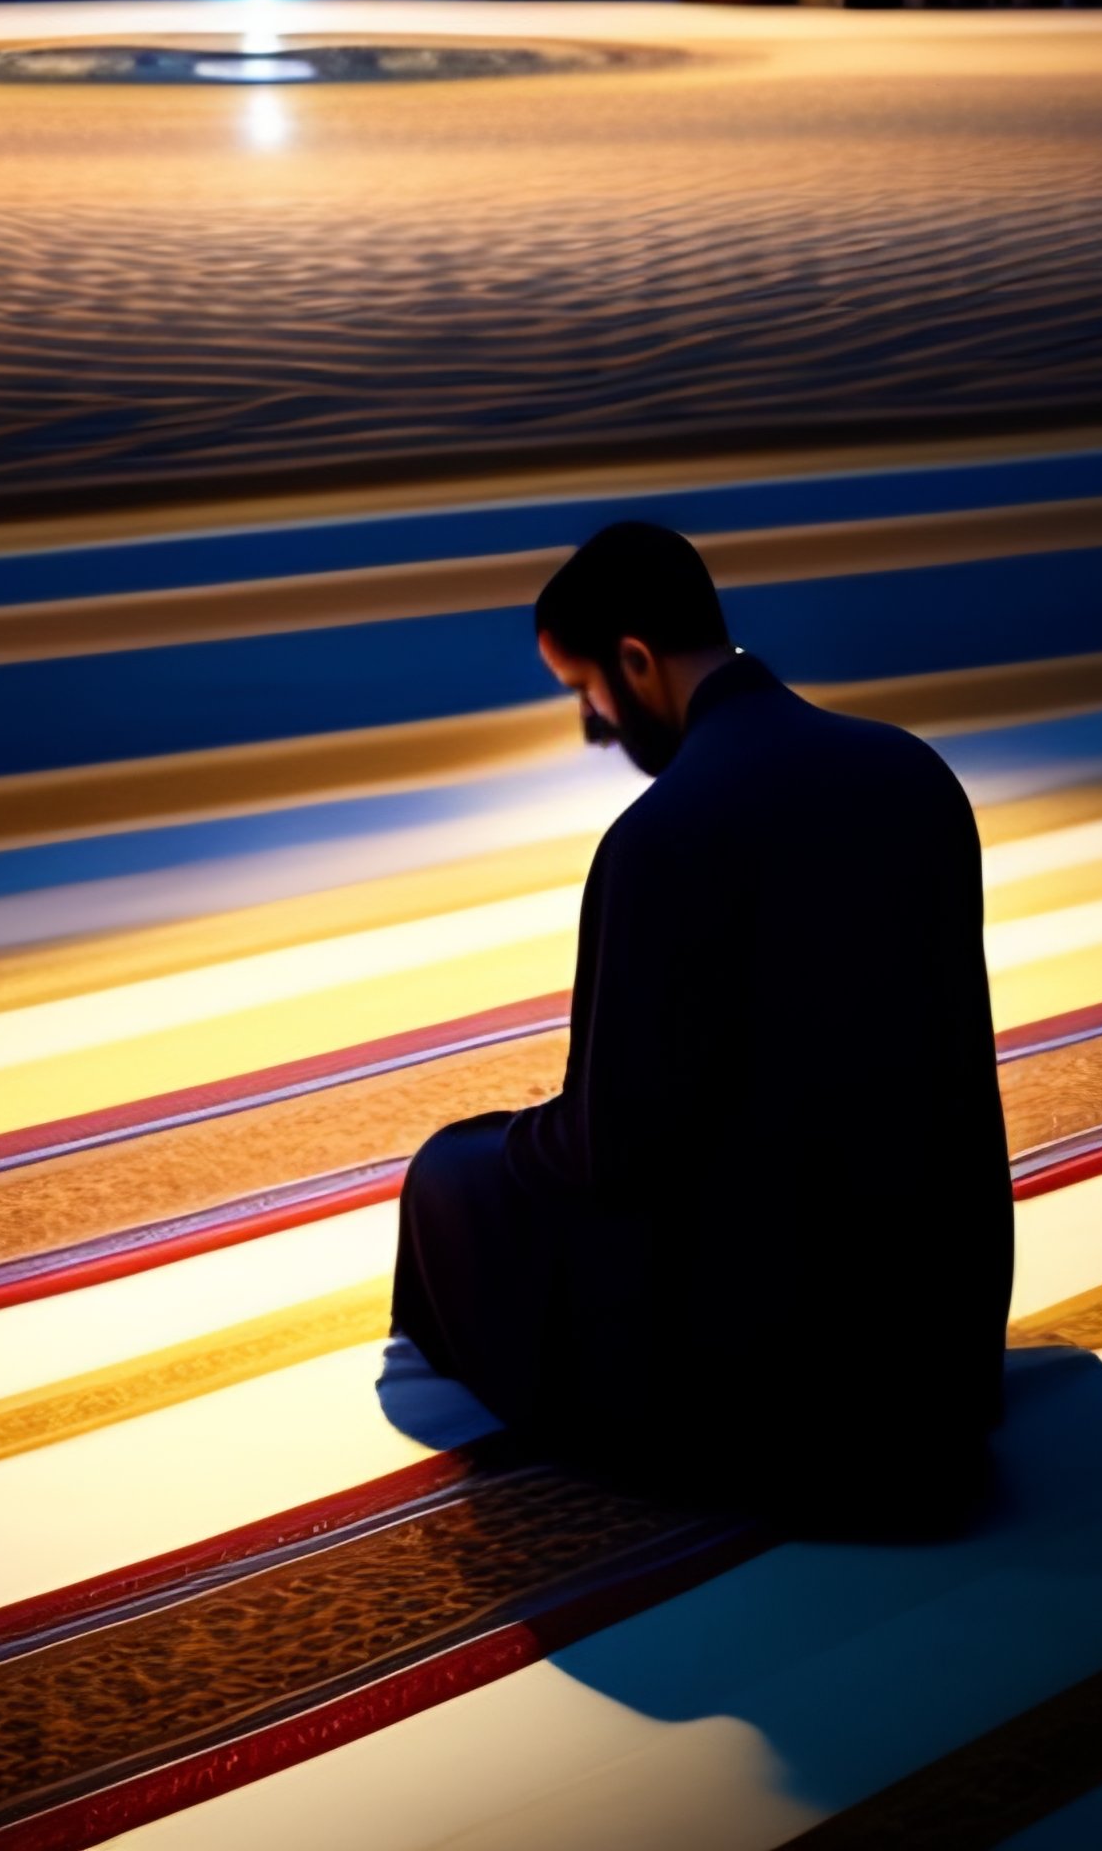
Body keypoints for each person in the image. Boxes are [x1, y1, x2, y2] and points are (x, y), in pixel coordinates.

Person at [391, 519, 1014, 1534]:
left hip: (772, 1396)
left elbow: (612, 1151)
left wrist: (501, 1143)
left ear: (633, 661)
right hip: (936, 1355)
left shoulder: (662, 836)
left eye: (582, 690)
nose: (593, 723)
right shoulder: (911, 773)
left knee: (452, 1178)